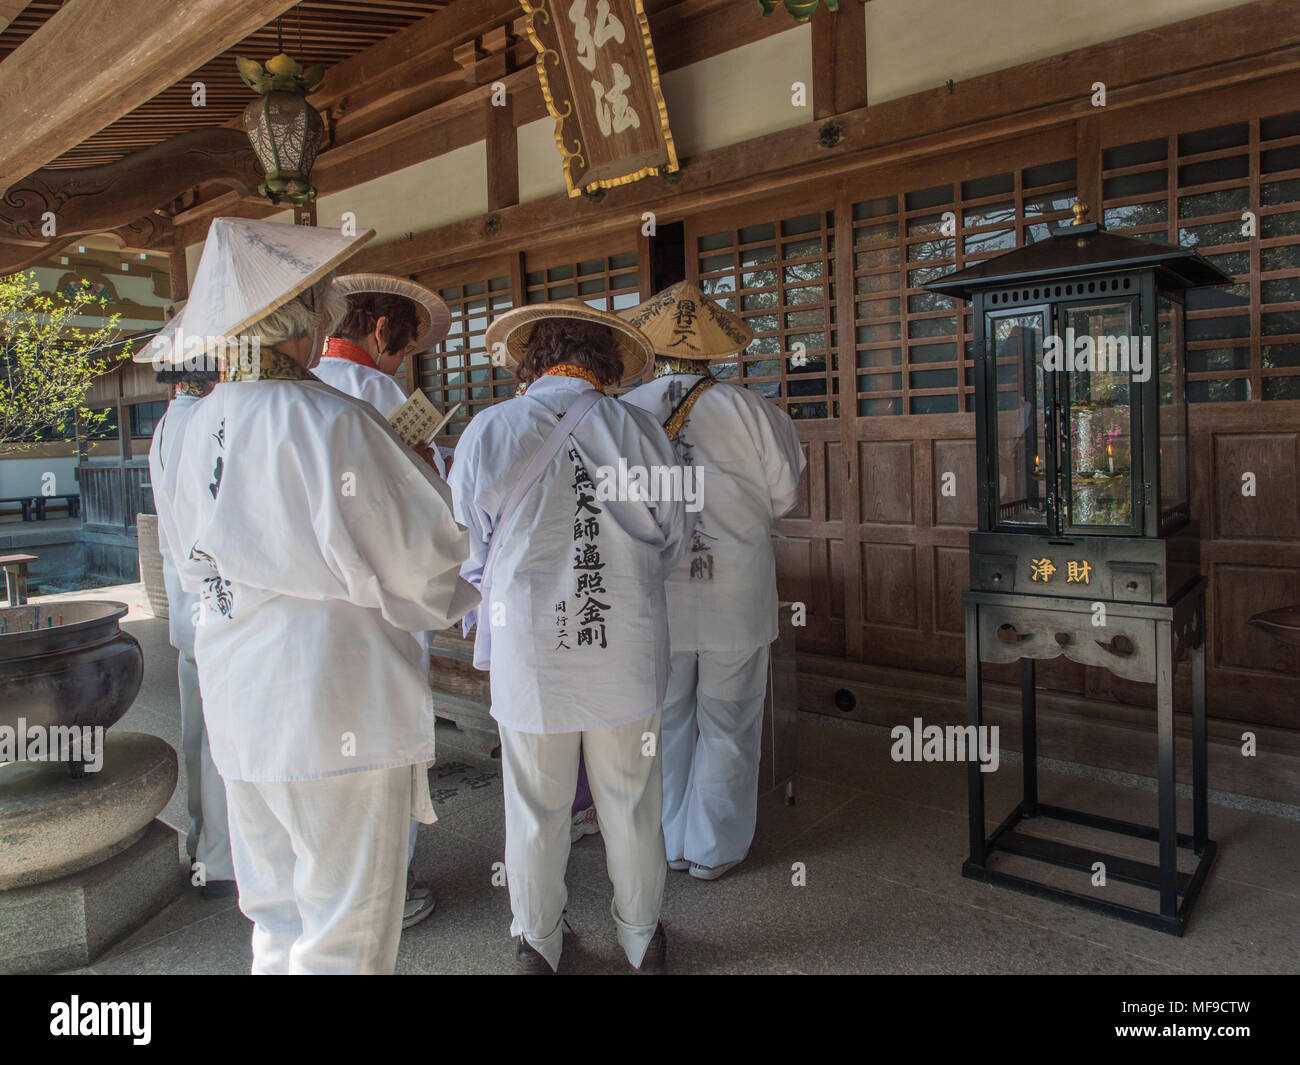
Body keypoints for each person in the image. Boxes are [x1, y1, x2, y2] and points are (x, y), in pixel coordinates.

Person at [142, 217, 478, 975]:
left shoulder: (193, 426)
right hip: (336, 712)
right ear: (309, 319)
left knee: (278, 920)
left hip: (243, 709)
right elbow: (428, 575)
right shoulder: (333, 422)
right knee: (346, 937)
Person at [448, 300, 688, 974]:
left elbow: (469, 553)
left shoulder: (489, 430)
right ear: (606, 365)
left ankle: (538, 943)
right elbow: (672, 540)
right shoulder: (644, 431)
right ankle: (642, 939)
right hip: (628, 646)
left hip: (530, 652)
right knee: (634, 799)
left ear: (530, 361)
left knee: (535, 805)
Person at [624, 281, 805, 881]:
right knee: (729, 722)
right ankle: (714, 848)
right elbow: (784, 496)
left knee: (668, 720)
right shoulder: (754, 410)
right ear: (714, 350)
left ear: (651, 347)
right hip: (734, 591)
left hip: (657, 593)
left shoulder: (625, 413)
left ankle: (669, 839)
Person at [311, 272, 453, 930]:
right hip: (386, 605)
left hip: (315, 610)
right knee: (389, 748)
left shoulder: (300, 390)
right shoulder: (380, 394)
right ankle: (390, 885)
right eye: (403, 346)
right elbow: (425, 506)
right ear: (379, 331)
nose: (403, 361)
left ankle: (332, 885)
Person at [147, 333, 237, 900]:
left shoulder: (165, 423)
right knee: (222, 735)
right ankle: (223, 858)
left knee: (196, 730)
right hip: (216, 605)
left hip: (187, 607)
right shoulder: (209, 422)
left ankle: (203, 841)